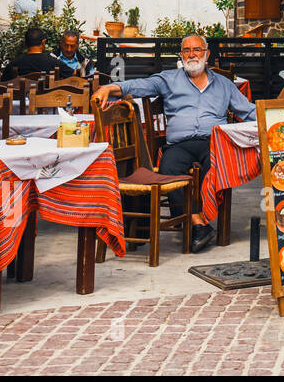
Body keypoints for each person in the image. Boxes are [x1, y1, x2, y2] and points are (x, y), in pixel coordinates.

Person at [93, 34, 255, 252]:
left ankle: (199, 221)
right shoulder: (168, 79)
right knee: (169, 168)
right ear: (181, 55)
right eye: (186, 50)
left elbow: (249, 112)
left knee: (216, 166)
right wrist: (108, 89)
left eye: (197, 49)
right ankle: (199, 223)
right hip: (179, 144)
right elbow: (139, 85)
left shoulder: (224, 85)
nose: (192, 54)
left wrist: (278, 116)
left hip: (213, 142)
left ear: (207, 54)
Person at [0, 27, 68, 81]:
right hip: (47, 98)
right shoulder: (55, 63)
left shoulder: (14, 64)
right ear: (43, 42)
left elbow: (3, 83)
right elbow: (73, 75)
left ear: (25, 43)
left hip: (20, 98)